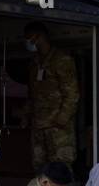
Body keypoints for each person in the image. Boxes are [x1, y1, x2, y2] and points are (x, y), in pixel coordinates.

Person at [23, 22, 79, 175]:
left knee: (61, 169)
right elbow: (32, 94)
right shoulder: (34, 64)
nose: (28, 42)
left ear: (39, 37)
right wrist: (26, 116)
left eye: (30, 38)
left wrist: (61, 119)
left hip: (58, 128)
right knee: (40, 169)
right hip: (39, 126)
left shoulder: (61, 60)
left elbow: (72, 94)